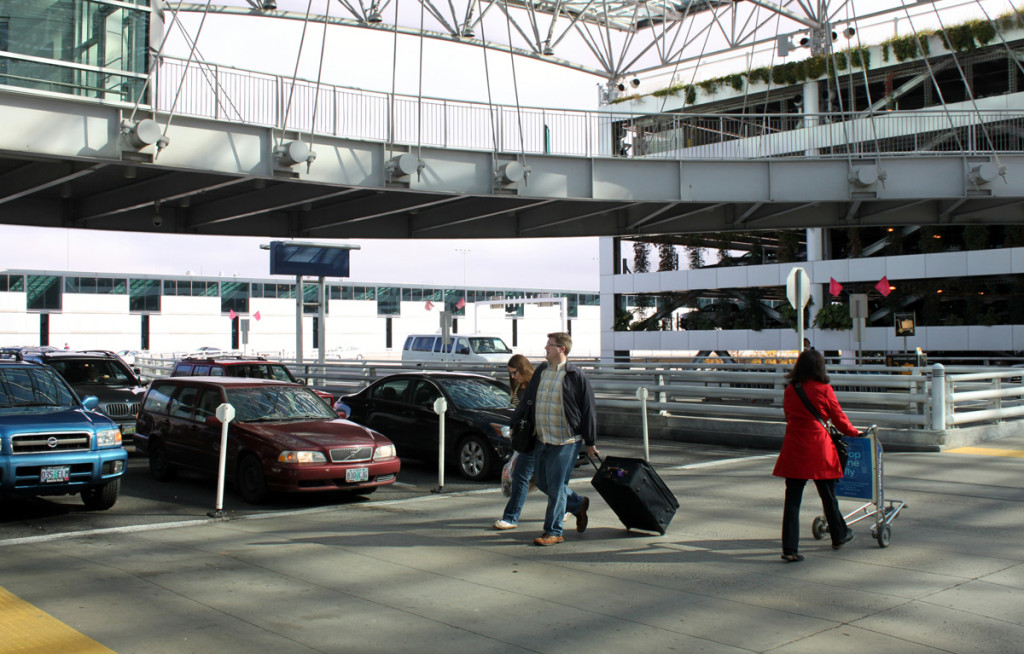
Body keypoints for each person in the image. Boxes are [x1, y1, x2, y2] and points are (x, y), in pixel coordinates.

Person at [509, 332, 598, 546]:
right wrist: (516, 422)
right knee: (541, 481)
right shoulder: (541, 371)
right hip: (542, 438)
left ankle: (554, 531)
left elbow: (588, 409)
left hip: (566, 441)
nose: (545, 348)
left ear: (562, 349)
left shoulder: (576, 376)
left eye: (550, 345)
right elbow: (527, 400)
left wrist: (590, 442)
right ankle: (577, 503)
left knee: (557, 487)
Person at [773, 348, 861, 562]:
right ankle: (838, 535)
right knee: (828, 495)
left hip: (795, 447)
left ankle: (789, 549)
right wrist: (855, 432)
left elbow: (788, 416)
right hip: (819, 448)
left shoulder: (791, 390)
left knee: (792, 499)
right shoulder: (824, 389)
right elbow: (839, 419)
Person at [493, 354, 536, 530]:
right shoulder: (519, 387)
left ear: (523, 368)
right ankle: (574, 503)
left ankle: (511, 517)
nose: (512, 376)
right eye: (510, 373)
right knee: (541, 480)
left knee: (521, 476)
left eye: (514, 372)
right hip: (524, 437)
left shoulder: (535, 385)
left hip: (534, 437)